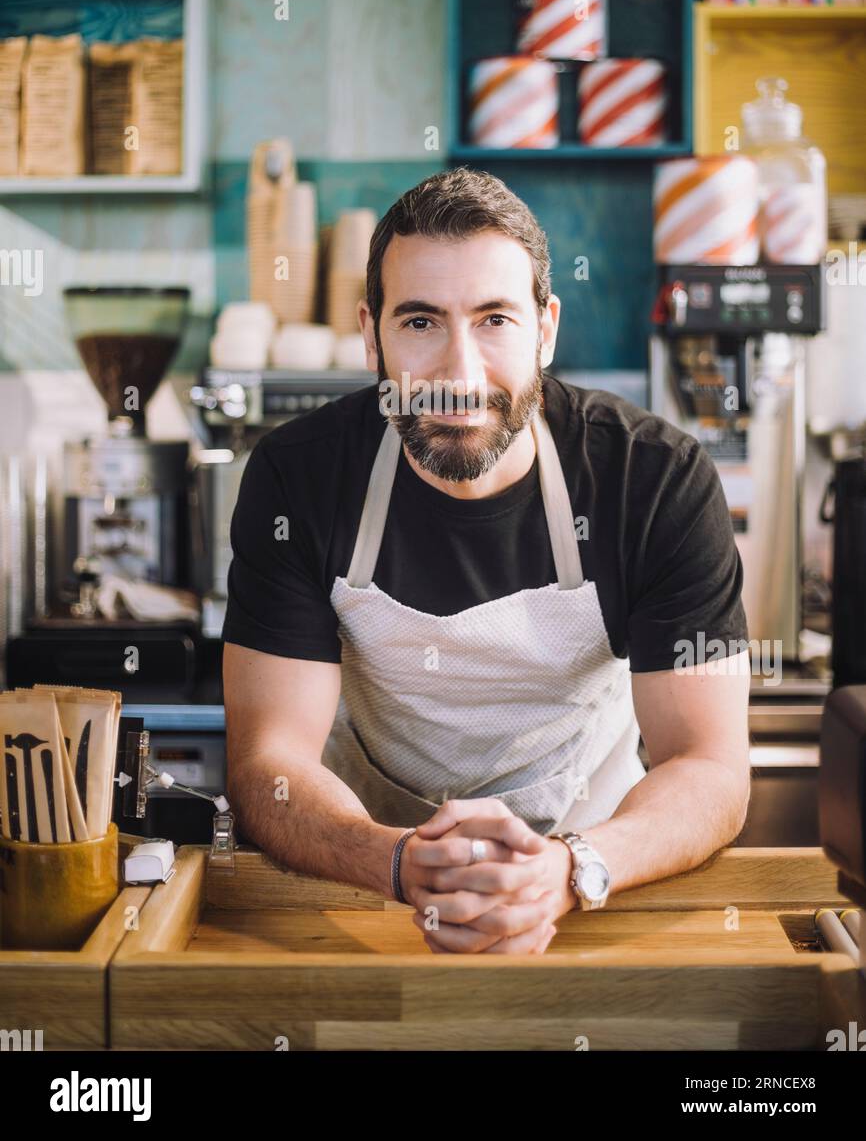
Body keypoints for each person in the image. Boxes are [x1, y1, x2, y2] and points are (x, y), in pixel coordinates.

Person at [222, 166, 751, 955]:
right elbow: (268, 760)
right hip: (364, 891)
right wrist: (398, 862)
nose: (458, 377)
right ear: (371, 334)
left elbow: (709, 765)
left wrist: (572, 871)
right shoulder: (297, 475)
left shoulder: (655, 480)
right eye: (421, 323)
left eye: (495, 320)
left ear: (545, 328)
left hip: (598, 883)